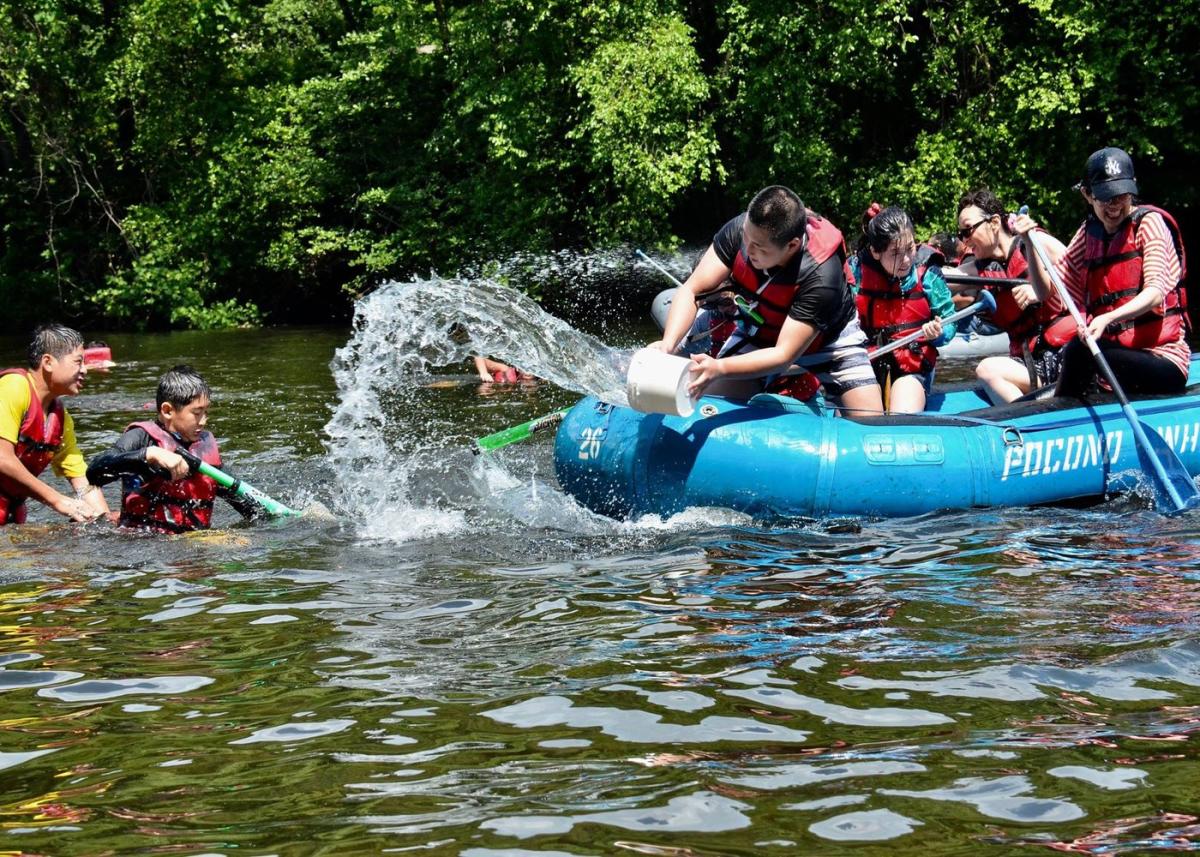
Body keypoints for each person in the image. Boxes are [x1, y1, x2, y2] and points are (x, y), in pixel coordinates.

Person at [651, 185, 883, 414]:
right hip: (761, 330)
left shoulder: (823, 275)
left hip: (828, 341)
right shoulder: (742, 231)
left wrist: (719, 367)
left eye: (758, 246)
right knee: (706, 406)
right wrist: (667, 345)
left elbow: (783, 355)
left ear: (792, 245)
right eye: (746, 236)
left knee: (870, 424)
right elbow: (691, 290)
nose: (747, 249)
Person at [1012, 147, 1190, 398]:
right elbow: (1046, 293)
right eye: (1106, 197)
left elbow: (1154, 294)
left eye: (1121, 195)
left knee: (1080, 350)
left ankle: (1062, 414)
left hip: (1164, 360)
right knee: (1080, 349)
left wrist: (1107, 318)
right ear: (1087, 194)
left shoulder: (1149, 224)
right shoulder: (1088, 235)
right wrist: (1029, 242)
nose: (1114, 205)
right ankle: (1062, 411)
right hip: (1115, 361)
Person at [86, 365, 260, 533]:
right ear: (168, 411)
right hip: (143, 546)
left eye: (206, 412)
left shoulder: (206, 451)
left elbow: (249, 509)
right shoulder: (141, 438)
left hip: (191, 548)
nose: (203, 421)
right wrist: (149, 454)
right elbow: (94, 472)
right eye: (197, 413)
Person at [954, 189, 1071, 403]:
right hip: (1029, 362)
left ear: (994, 222)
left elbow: (1080, 270)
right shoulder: (979, 269)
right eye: (961, 233)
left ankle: (1030, 425)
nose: (964, 239)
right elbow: (945, 279)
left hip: (1066, 357)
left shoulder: (1036, 243)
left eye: (968, 230)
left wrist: (1043, 287)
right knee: (990, 371)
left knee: (987, 369)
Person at [847, 204, 959, 413]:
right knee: (857, 418)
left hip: (912, 366)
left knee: (901, 413)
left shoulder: (927, 273)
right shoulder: (857, 271)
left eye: (910, 248)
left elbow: (950, 320)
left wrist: (938, 332)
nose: (907, 260)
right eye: (896, 253)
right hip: (865, 363)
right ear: (876, 252)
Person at [0, 324, 109, 525]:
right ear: (48, 362)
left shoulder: (60, 418)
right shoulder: (13, 387)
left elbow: (81, 479)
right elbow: (1, 457)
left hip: (11, 515)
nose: (85, 370)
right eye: (78, 362)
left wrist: (104, 518)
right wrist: (57, 500)